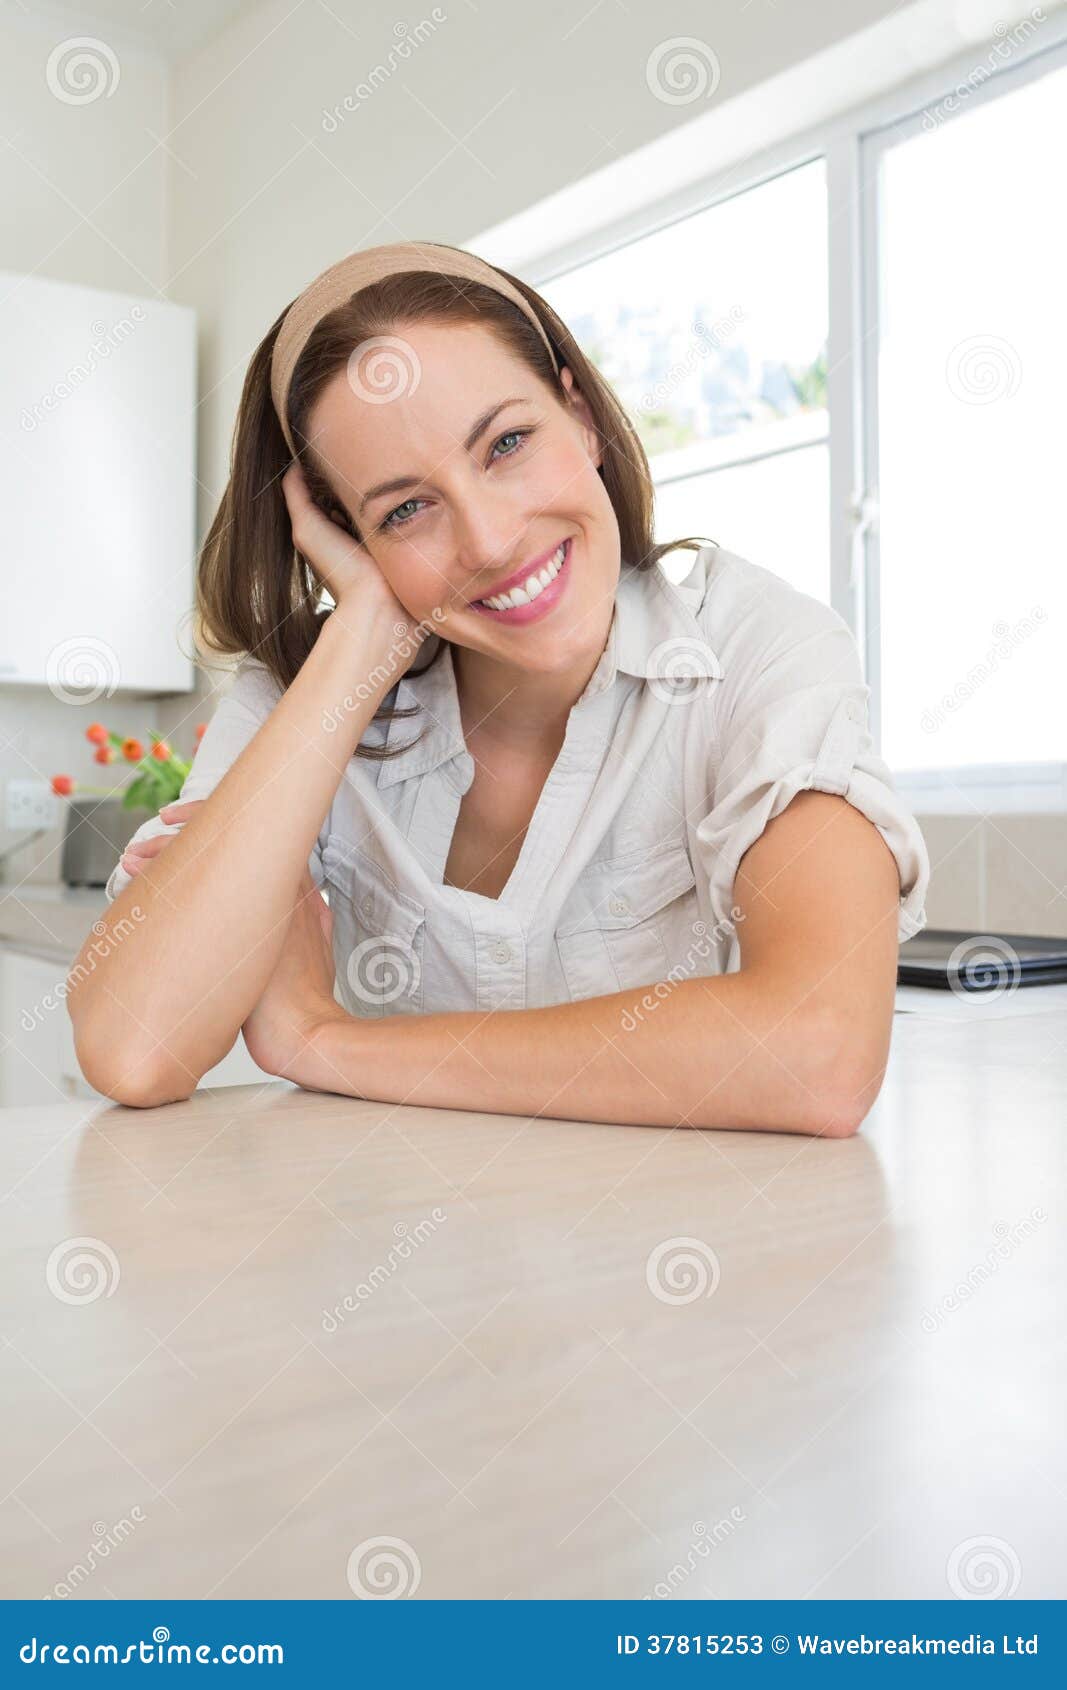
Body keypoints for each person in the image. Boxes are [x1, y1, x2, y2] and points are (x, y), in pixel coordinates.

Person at [67, 240, 929, 1134]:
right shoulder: (303, 690)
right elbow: (134, 1048)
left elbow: (819, 1054)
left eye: (506, 444)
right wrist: (362, 632)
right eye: (404, 509)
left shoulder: (755, 647)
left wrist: (320, 1041)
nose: (486, 540)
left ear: (580, 416)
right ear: (347, 541)